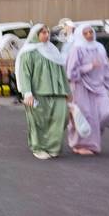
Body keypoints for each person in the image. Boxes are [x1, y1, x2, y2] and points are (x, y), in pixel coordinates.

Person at [16, 24, 71, 159]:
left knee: (61, 118)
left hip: (57, 92)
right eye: (43, 33)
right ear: (36, 35)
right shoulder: (28, 52)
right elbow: (25, 74)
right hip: (37, 93)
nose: (47, 35)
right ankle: (38, 147)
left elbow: (61, 72)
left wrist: (67, 91)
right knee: (38, 122)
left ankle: (52, 146)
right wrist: (27, 93)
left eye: (47, 32)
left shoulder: (53, 51)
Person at [65, 23, 109, 155]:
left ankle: (92, 138)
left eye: (91, 32)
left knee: (106, 114)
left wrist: (108, 84)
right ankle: (80, 144)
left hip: (100, 87)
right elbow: (71, 72)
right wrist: (89, 66)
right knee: (85, 116)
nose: (89, 35)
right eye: (85, 33)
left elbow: (106, 67)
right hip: (81, 87)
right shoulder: (77, 49)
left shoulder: (99, 48)